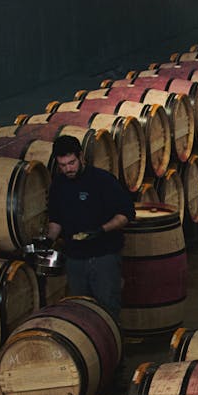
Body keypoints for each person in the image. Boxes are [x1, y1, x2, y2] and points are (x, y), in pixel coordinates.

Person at [45, 135, 136, 320]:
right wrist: (48, 241)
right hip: (75, 259)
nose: (68, 169)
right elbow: (56, 220)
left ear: (81, 157)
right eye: (62, 165)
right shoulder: (58, 185)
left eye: (71, 163)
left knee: (107, 307)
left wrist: (101, 230)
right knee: (80, 311)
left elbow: (126, 214)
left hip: (104, 256)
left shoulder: (102, 180)